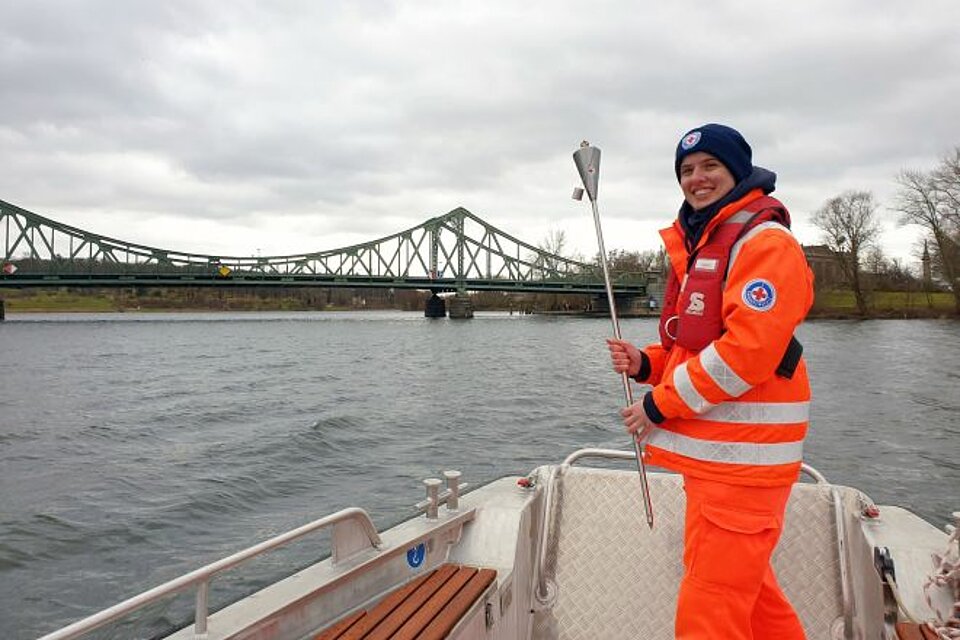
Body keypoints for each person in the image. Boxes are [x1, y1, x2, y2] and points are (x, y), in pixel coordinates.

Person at [607, 123, 814, 640]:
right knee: (755, 601)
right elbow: (696, 345)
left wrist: (657, 405)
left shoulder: (765, 243)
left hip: (745, 469)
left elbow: (747, 354)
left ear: (738, 171)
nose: (696, 178)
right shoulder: (709, 241)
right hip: (720, 466)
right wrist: (646, 364)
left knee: (709, 611)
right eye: (686, 170)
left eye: (710, 166)